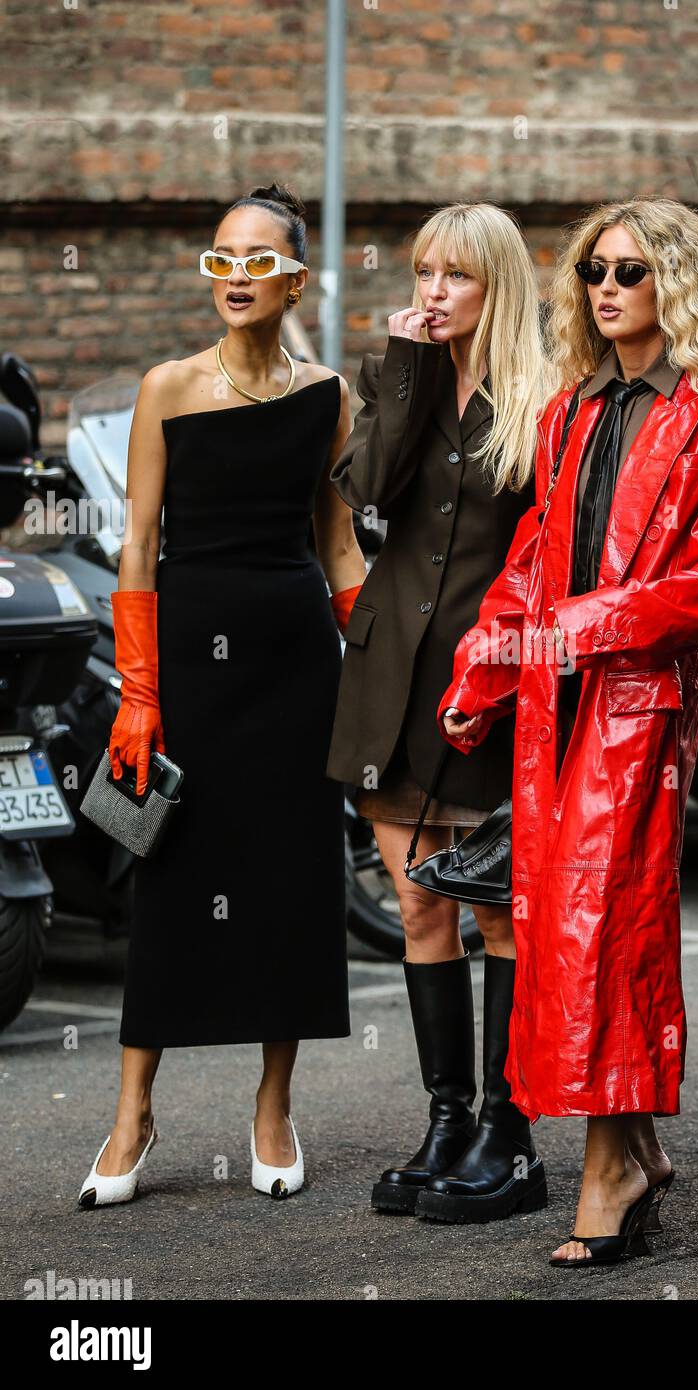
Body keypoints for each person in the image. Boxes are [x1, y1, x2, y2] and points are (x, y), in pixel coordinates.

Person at [439, 197, 698, 1265]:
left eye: (629, 272)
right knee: (563, 930)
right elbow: (535, 556)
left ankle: (609, 1168)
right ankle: (629, 1142)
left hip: (640, 702)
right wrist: (482, 666)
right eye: (593, 269)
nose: (605, 288)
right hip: (552, 701)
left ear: (674, 283)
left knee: (608, 927)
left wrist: (581, 629)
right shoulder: (570, 413)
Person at [78, 183, 363, 1209]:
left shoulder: (331, 394)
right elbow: (139, 539)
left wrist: (370, 658)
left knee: (289, 880)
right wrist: (140, 688)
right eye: (220, 259)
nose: (236, 277)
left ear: (295, 277)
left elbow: (336, 539)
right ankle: (132, 1113)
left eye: (257, 260)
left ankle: (273, 1105)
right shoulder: (167, 386)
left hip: (294, 660)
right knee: (168, 871)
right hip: (191, 659)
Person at [327, 203, 550, 1222]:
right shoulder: (390, 379)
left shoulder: (547, 397)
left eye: (454, 276)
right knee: (420, 905)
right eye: (422, 272)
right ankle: (446, 1118)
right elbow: (365, 492)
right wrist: (409, 374)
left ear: (494, 285)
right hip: (391, 681)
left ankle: (509, 1128)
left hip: (492, 685)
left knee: (499, 908)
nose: (430, 292)